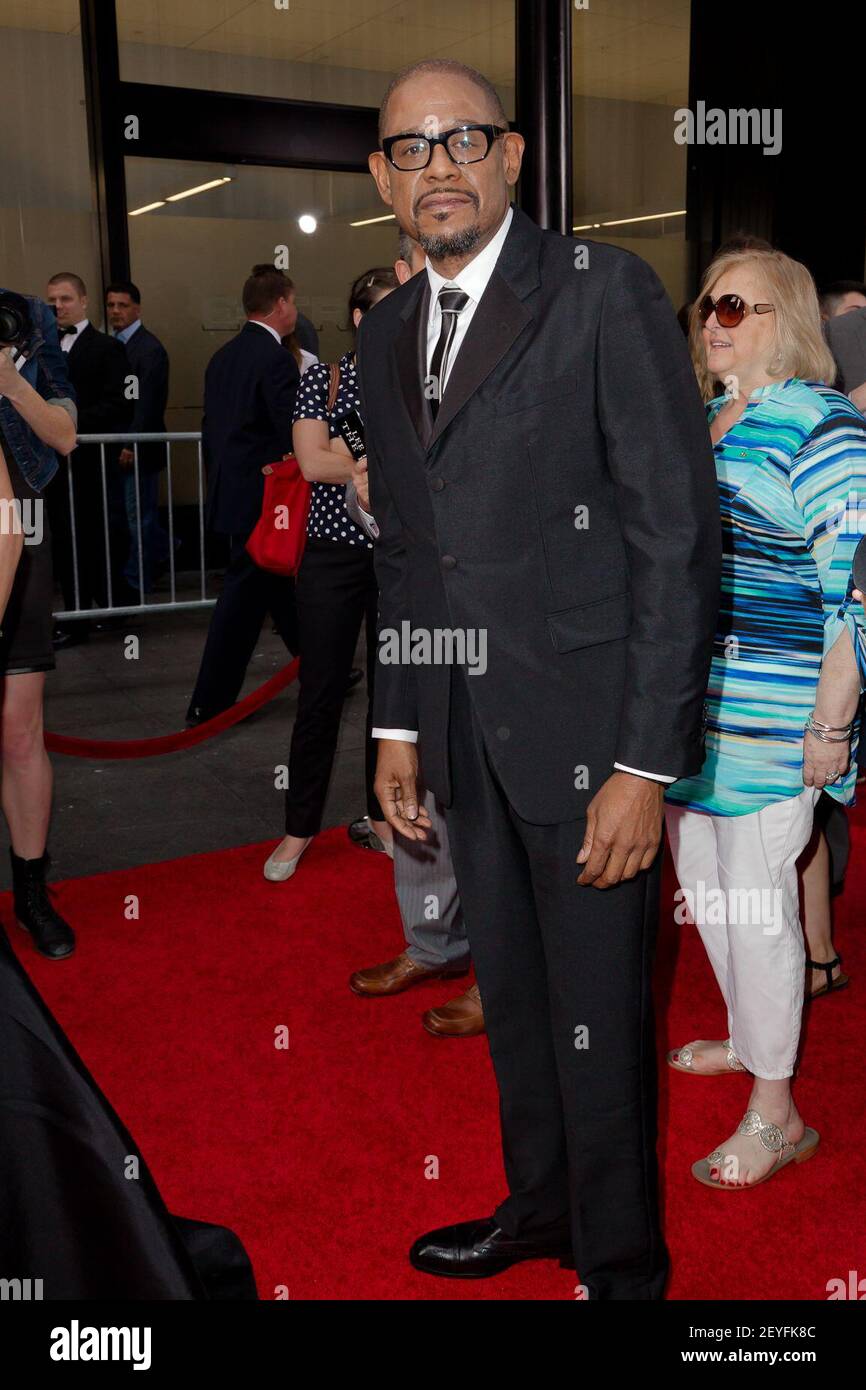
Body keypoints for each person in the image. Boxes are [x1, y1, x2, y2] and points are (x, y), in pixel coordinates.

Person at [357, 58, 720, 1298]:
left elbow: (675, 535)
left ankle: (620, 1265)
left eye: (461, 139)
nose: (437, 165)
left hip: (591, 739)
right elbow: (410, 550)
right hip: (462, 729)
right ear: (380, 180)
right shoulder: (384, 329)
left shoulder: (600, 291)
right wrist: (399, 723)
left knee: (602, 1016)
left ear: (510, 156)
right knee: (513, 1000)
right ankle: (541, 1210)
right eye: (409, 147)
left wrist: (641, 764)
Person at [665, 247, 866, 1188]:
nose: (714, 320)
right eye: (708, 304)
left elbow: (859, 591)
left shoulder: (821, 425)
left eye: (736, 306)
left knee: (762, 910)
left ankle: (778, 1113)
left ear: (785, 317)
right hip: (684, 707)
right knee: (706, 887)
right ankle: (752, 1043)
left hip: (776, 713)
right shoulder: (706, 417)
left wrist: (831, 724)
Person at [348, 231, 482, 1038]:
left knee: (490, 807)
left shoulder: (506, 338)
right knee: (417, 789)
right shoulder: (386, 347)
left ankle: (501, 974)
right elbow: (396, 519)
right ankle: (432, 942)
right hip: (419, 618)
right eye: (411, 272)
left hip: (511, 630)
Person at [263, 269, 395, 882]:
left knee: (393, 698)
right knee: (320, 692)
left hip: (398, 555)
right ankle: (298, 828)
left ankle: (384, 817)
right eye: (387, 311)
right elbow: (311, 462)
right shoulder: (324, 375)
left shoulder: (419, 381)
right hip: (331, 555)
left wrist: (360, 459)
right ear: (360, 316)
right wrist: (377, 462)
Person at [186, 265, 300, 725]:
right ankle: (207, 702)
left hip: (231, 495)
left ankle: (321, 664)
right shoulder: (275, 360)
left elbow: (213, 429)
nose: (296, 310)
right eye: (294, 302)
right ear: (279, 306)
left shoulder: (222, 356)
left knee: (277, 589)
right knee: (240, 603)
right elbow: (291, 427)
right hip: (263, 500)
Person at [0, 287, 78, 958]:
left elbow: (65, 434)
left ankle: (30, 890)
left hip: (17, 526)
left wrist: (7, 382)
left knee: (19, 730)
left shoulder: (26, 316)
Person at [44, 272, 132, 647]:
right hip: (50, 466)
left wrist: (66, 421)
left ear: (83, 302)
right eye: (52, 301)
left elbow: (120, 403)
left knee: (94, 535)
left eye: (65, 299)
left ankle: (104, 607)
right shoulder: (41, 348)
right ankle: (82, 611)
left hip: (89, 463)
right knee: (61, 538)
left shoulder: (107, 349)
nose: (58, 307)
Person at [105, 280, 171, 598]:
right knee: (133, 515)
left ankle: (138, 580)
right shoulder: (116, 346)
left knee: (138, 517)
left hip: (138, 448)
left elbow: (148, 402)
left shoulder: (148, 348)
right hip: (123, 445)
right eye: (111, 305)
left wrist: (132, 442)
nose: (116, 311)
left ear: (137, 308)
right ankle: (159, 555)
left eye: (122, 305)